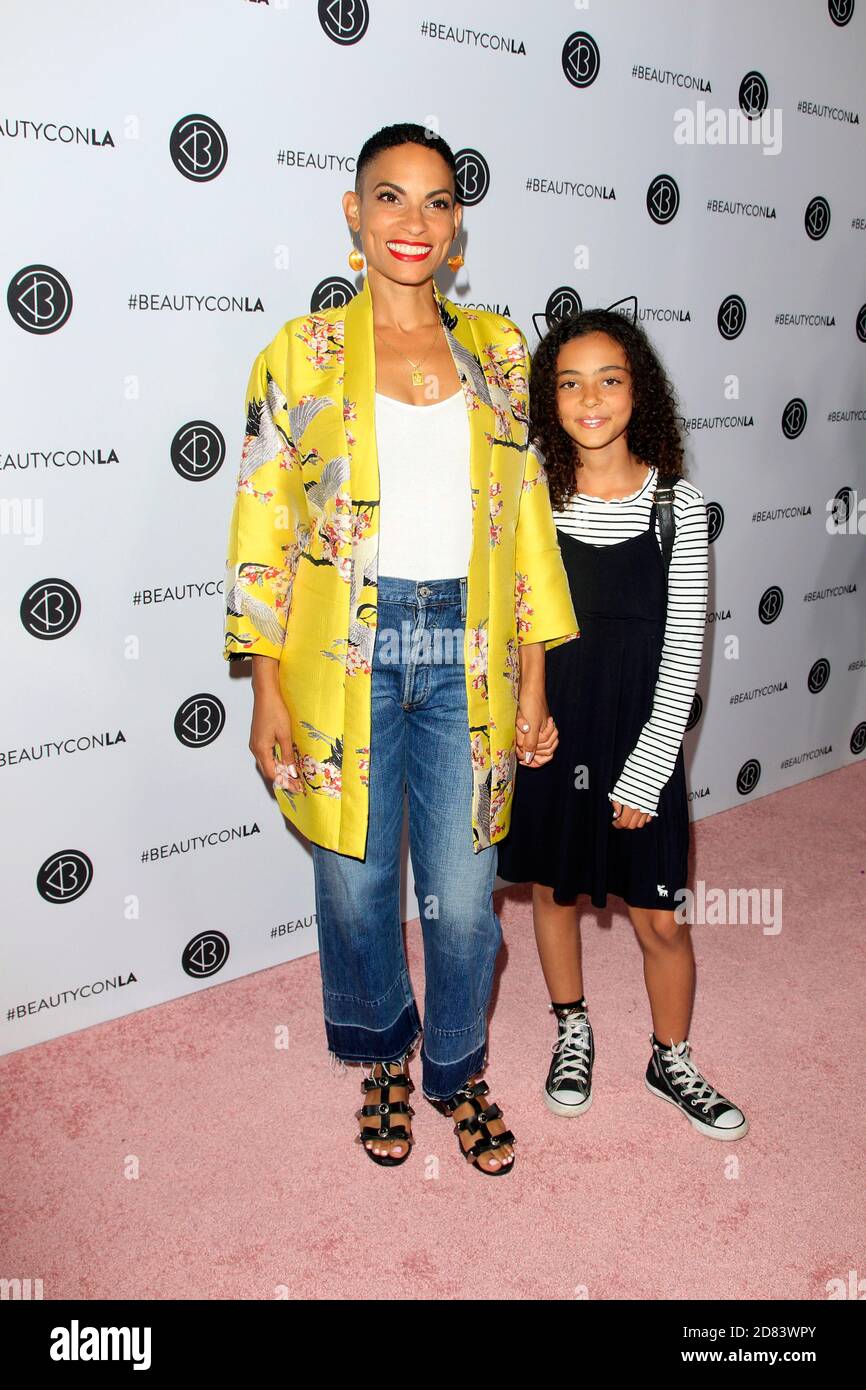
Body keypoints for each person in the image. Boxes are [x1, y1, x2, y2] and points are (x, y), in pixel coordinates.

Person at [222, 123, 579, 1173]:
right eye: (389, 198)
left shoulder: (499, 350)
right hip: (342, 651)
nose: (411, 223)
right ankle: (381, 1048)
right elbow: (263, 530)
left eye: (433, 202)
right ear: (352, 213)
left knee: (466, 896)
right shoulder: (300, 353)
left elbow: (526, 521)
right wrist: (264, 687)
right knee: (355, 878)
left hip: (468, 641)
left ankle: (457, 1067)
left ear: (456, 222)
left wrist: (533, 678)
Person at [496, 308, 749, 1141]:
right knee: (553, 890)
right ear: (549, 397)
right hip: (555, 731)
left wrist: (647, 769)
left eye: (609, 378)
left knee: (660, 917)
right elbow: (520, 617)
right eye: (569, 383)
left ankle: (668, 1054)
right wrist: (524, 715)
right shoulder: (534, 489)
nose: (590, 398)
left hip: (642, 734)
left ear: (638, 391)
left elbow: (685, 651)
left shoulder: (678, 503)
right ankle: (573, 1025)